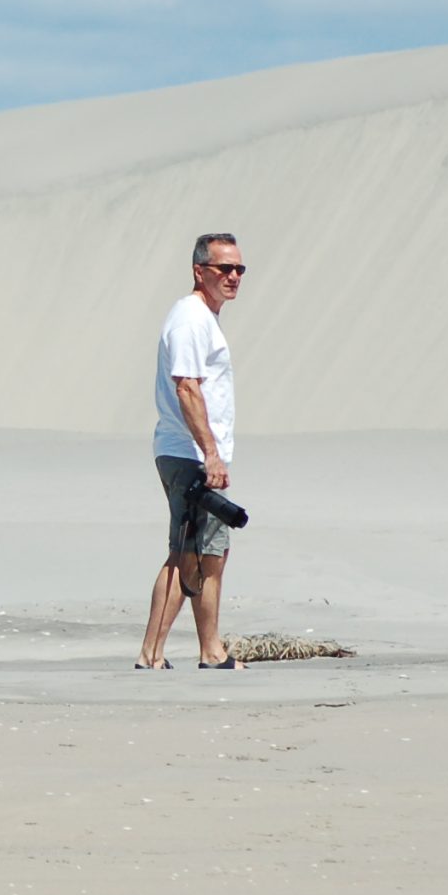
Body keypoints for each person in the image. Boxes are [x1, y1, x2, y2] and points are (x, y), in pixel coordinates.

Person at [140, 232, 242, 670]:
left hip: (193, 453)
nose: (233, 276)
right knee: (190, 555)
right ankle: (154, 653)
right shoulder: (190, 319)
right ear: (200, 271)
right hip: (189, 454)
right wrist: (211, 454)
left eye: (239, 268)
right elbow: (187, 387)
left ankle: (207, 649)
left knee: (207, 554)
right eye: (224, 268)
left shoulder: (204, 318)